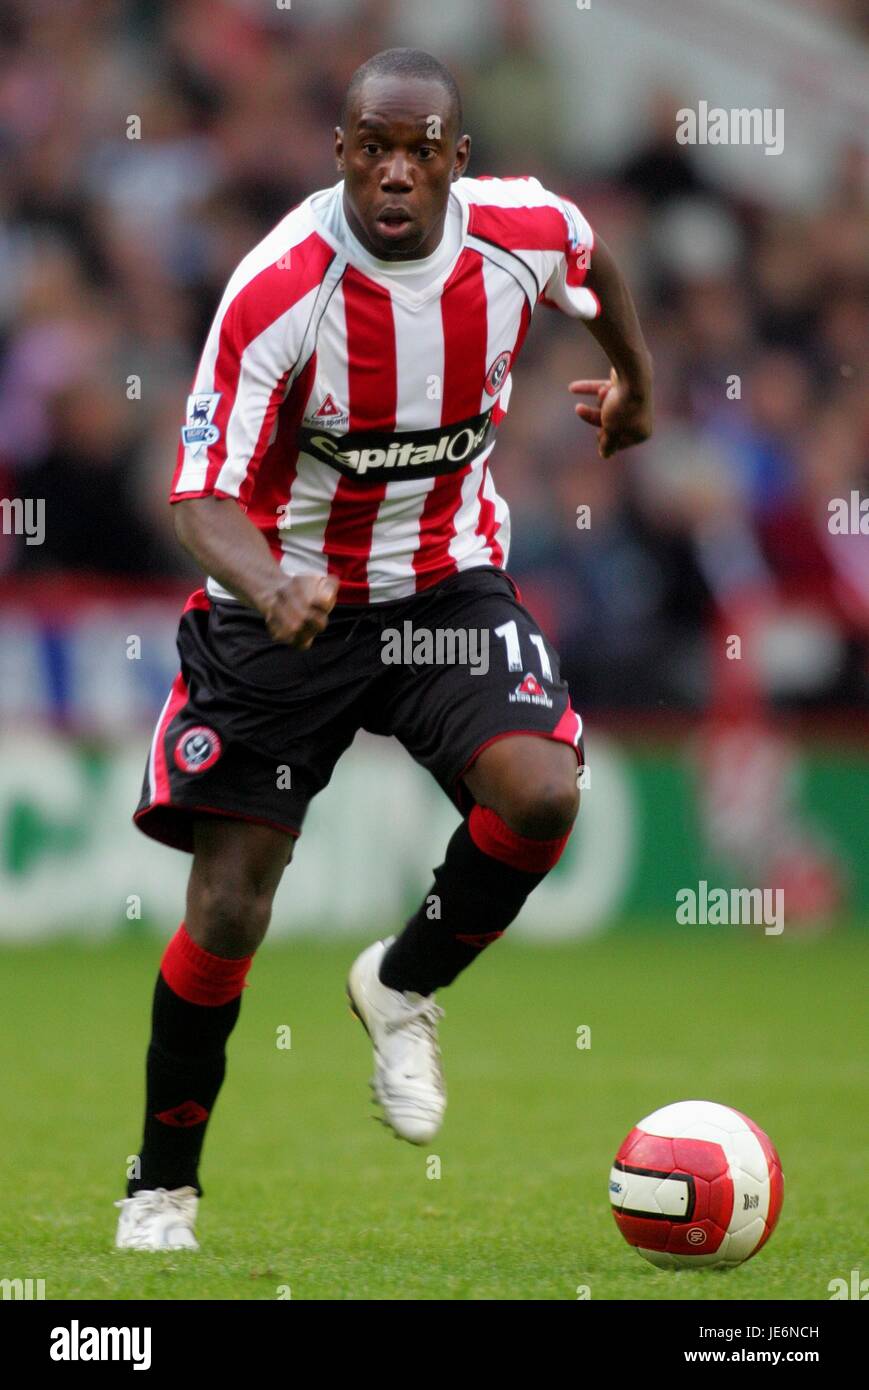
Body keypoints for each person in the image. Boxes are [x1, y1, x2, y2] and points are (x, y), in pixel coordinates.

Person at [115, 47, 652, 1251]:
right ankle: (161, 1187)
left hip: (442, 585)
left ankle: (401, 982)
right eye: (373, 147)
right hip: (281, 606)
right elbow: (197, 499)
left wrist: (635, 384)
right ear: (340, 153)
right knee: (229, 912)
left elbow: (592, 259)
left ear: (458, 160)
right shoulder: (278, 288)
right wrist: (266, 578)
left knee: (541, 791)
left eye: (420, 151)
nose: (395, 171)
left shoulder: (517, 232)